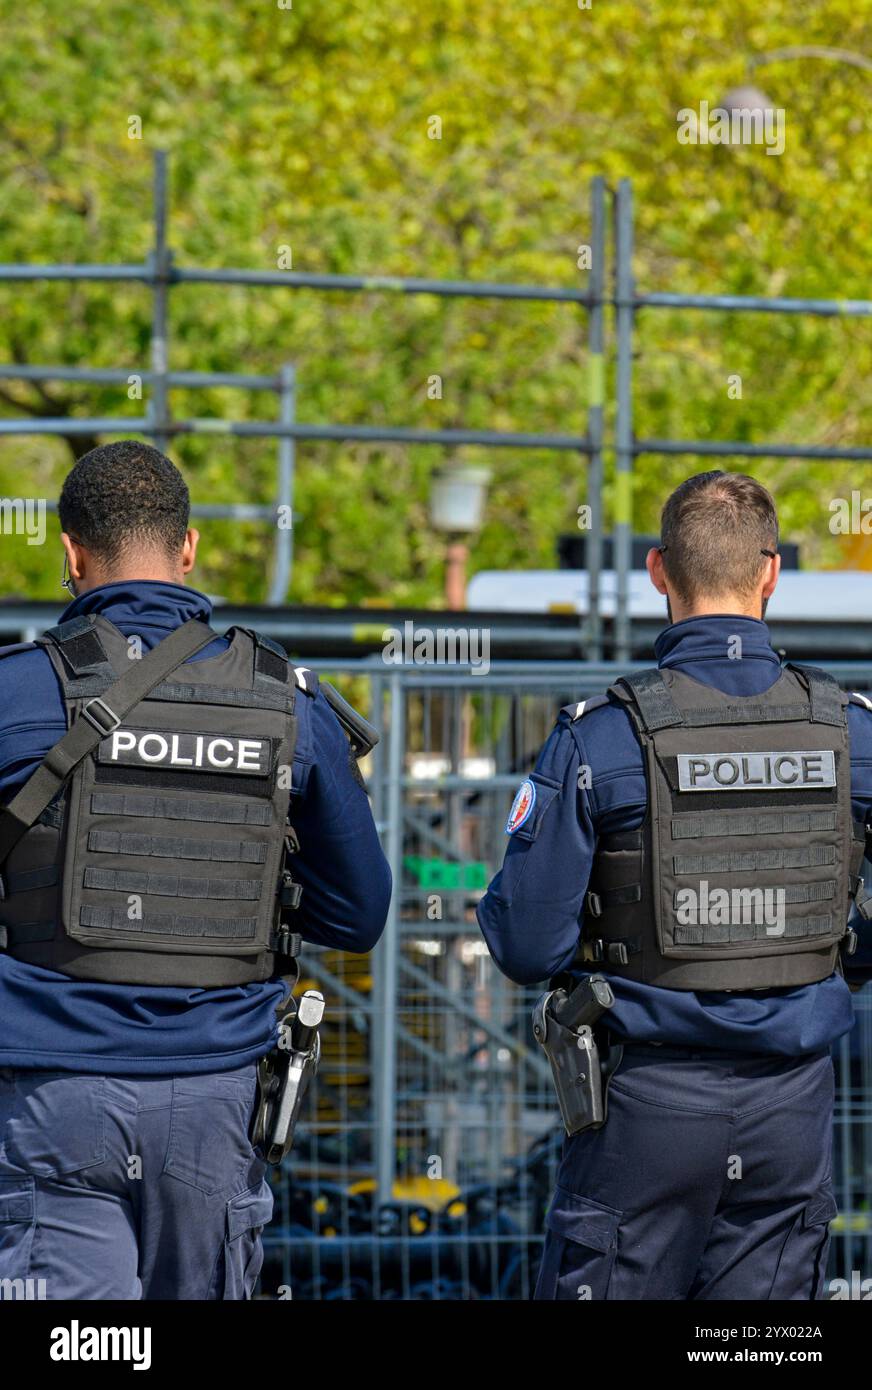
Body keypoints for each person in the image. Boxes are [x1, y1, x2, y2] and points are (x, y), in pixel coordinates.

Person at [0, 441, 391, 1300]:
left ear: (71, 552)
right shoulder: (291, 702)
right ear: (190, 548)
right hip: (215, 1102)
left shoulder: (16, 695)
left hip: (50, 1103)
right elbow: (360, 913)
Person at [478, 470, 871, 1301]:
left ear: (659, 570)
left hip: (646, 1106)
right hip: (792, 1109)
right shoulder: (849, 734)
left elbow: (523, 944)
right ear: (771, 573)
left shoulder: (605, 738)